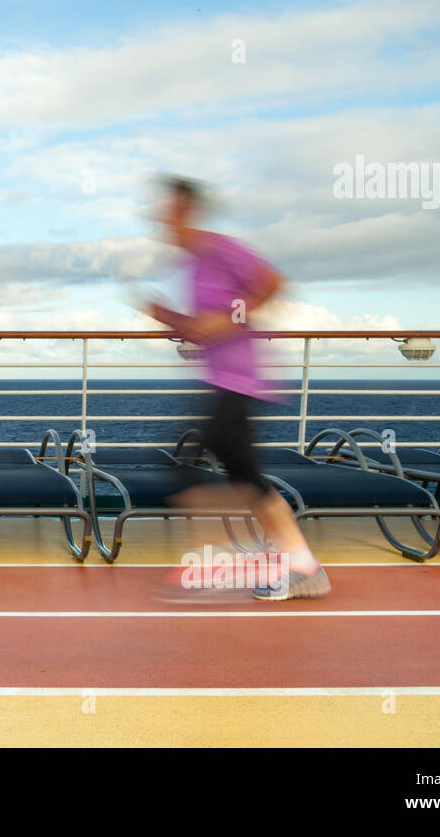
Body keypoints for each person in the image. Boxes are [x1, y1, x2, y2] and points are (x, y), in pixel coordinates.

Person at [141, 176, 330, 599]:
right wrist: (170, 318)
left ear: (185, 211)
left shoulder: (222, 249)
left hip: (241, 379)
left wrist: (226, 321)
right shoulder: (189, 266)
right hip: (219, 380)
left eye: (165, 209)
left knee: (201, 469)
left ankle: (278, 559)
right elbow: (204, 327)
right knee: (236, 472)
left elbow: (271, 285)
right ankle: (284, 555)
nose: (158, 218)